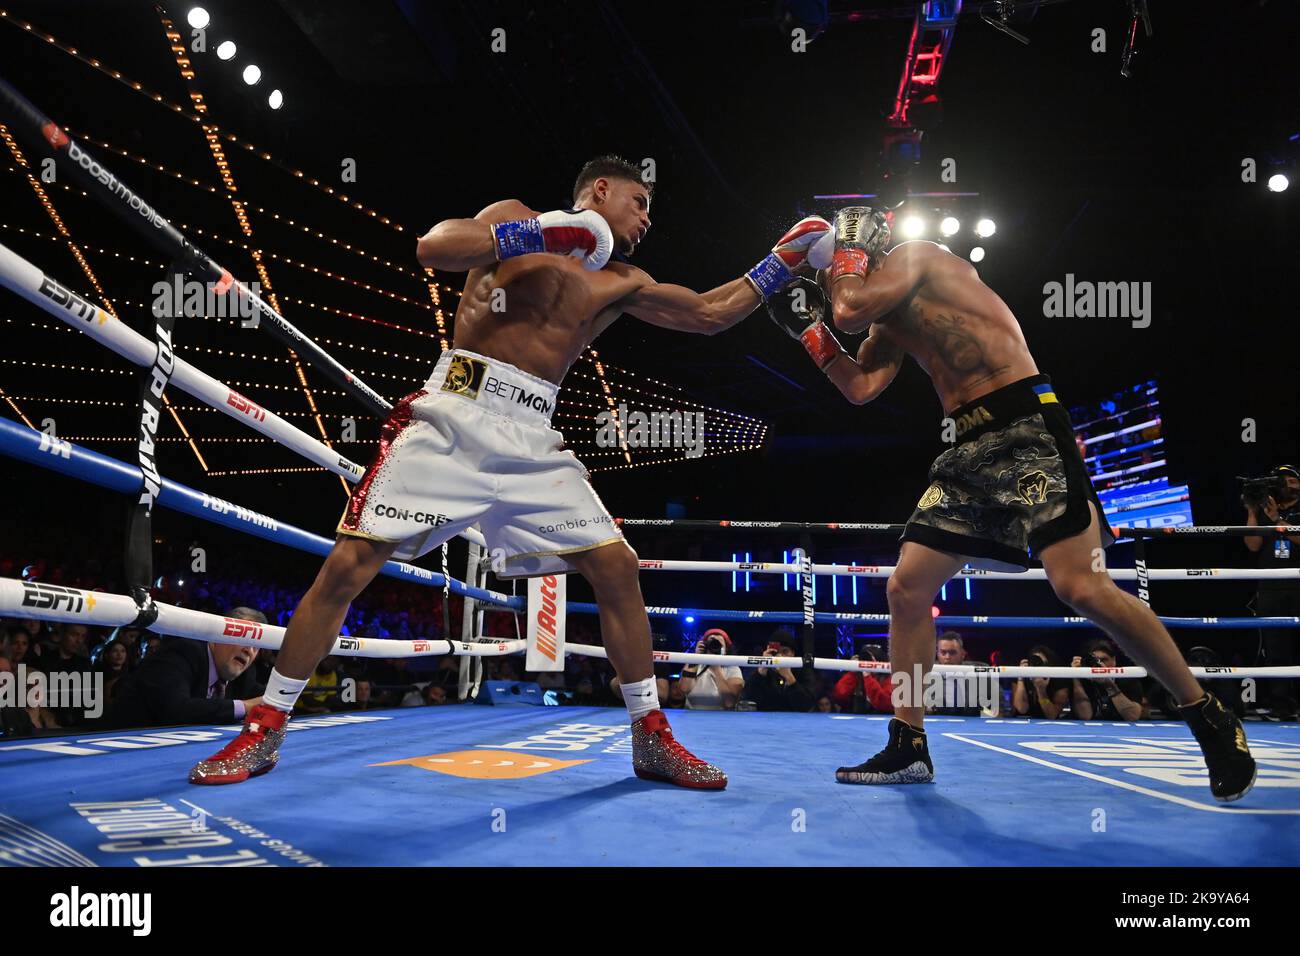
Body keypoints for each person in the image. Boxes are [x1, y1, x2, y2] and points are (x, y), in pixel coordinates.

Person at [191, 155, 832, 788]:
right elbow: (432, 248)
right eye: (640, 203)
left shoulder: (622, 279)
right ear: (600, 191)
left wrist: (784, 261)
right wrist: (550, 231)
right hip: (454, 416)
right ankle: (264, 727)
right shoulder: (515, 219)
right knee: (350, 563)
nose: (646, 220)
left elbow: (709, 313)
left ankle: (652, 737)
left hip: (533, 439)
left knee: (616, 565)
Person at [770, 208, 1256, 800]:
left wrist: (837, 277)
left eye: (836, 267)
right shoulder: (885, 324)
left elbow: (847, 306)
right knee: (906, 588)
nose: (829, 284)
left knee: (1080, 586)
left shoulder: (917, 257)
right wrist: (810, 335)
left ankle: (1206, 713)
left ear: (862, 252)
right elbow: (860, 388)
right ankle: (909, 742)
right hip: (966, 447)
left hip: (1025, 422)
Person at [104, 609, 263, 729]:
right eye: (244, 639)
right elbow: (175, 709)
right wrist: (245, 707)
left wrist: (283, 699)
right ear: (218, 636)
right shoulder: (182, 653)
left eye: (256, 646)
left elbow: (269, 698)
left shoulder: (245, 674)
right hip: (118, 748)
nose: (249, 650)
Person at [1243, 464, 1300, 720]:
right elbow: (1252, 545)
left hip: (1298, 586)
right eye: (1282, 480)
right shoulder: (1265, 509)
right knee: (1276, 649)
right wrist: (1253, 511)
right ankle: (1282, 706)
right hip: (1270, 588)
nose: (1287, 484)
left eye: (1292, 480)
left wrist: (1278, 520)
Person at [1070, 637, 1145, 721]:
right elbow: (1085, 716)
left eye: (1104, 660)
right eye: (1095, 661)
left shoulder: (1128, 680)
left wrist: (1109, 685)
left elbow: (1132, 716)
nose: (1100, 665)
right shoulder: (1083, 681)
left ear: (1114, 661)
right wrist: (1076, 676)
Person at [740, 630, 815, 712]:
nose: (780, 656)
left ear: (793, 653)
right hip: (765, 721)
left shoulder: (803, 671)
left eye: (785, 651)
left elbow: (807, 706)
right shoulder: (762, 672)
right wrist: (760, 673)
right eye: (775, 652)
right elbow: (748, 700)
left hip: (796, 721)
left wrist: (790, 679)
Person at [678, 628, 745, 711]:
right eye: (712, 643)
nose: (714, 646)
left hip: (721, 718)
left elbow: (729, 702)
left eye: (718, 644)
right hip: (693, 715)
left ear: (726, 649)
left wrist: (716, 669)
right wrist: (695, 657)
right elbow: (683, 689)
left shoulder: (732, 668)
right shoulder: (694, 665)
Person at [1011, 644, 1070, 719]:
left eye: (1041, 663)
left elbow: (1052, 716)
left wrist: (1041, 691)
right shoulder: (1021, 679)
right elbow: (1021, 708)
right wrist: (1021, 678)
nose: (1037, 666)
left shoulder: (1059, 682)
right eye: (1034, 662)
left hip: (1048, 725)